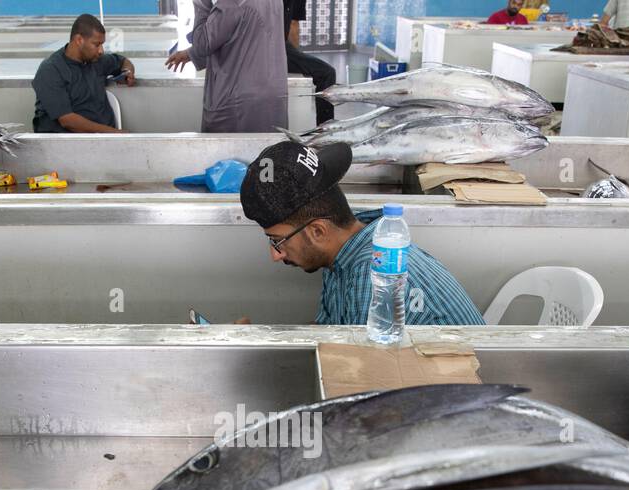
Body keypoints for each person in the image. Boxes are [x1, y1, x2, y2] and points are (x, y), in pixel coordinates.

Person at [239, 141, 484, 326]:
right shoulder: (343, 246)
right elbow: (329, 335)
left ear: (317, 231)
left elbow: (362, 374)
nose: (275, 255)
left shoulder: (373, 274)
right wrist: (260, 339)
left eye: (277, 241)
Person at [164, 0, 287, 133]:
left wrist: (201, 3)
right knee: (267, 152)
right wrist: (190, 53)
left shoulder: (232, 3)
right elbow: (244, 37)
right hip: (272, 98)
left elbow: (202, 43)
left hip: (237, 103)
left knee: (229, 152)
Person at [31, 15, 137, 133]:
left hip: (105, 140)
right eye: (96, 44)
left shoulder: (97, 61)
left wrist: (127, 72)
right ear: (79, 40)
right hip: (66, 144)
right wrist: (114, 133)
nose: (101, 50)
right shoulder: (51, 70)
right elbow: (67, 120)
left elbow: (122, 61)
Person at [284, 0, 336, 125]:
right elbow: (293, 25)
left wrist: (297, 59)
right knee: (327, 73)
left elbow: (293, 25)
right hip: (272, 46)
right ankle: (326, 130)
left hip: (273, 44)